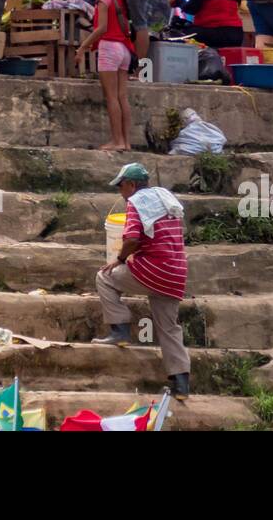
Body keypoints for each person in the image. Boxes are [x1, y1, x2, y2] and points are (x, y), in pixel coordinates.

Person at [93, 163, 191, 401]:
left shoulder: (136, 203)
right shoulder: (165, 196)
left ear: (131, 185)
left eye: (121, 186)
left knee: (104, 277)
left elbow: (133, 239)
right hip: (176, 272)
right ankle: (181, 385)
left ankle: (120, 330)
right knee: (169, 327)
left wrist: (120, 259)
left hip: (152, 269)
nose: (120, 192)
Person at [75, 0, 134, 151]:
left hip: (109, 48)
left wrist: (83, 46)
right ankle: (126, 142)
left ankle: (116, 141)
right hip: (125, 50)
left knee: (111, 98)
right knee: (122, 97)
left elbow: (101, 29)